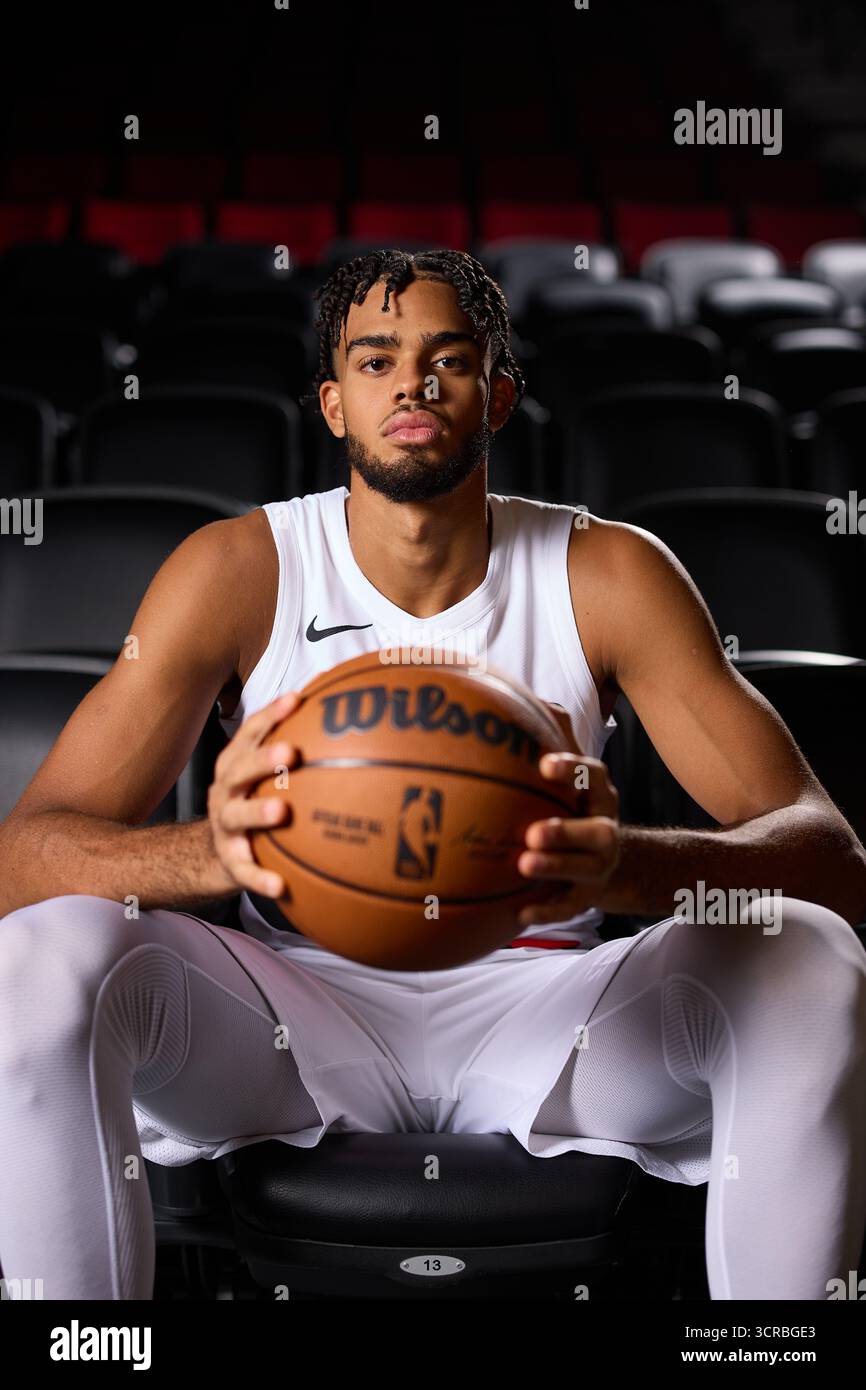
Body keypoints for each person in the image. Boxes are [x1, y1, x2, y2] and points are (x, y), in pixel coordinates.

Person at [0, 249, 864, 1301]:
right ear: (331, 402)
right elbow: (23, 859)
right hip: (293, 1016)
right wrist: (210, 850)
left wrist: (622, 869)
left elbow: (830, 861)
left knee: (808, 953)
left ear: (497, 392)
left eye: (447, 358)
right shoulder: (237, 570)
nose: (410, 384)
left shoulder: (607, 570)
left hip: (551, 1017)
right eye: (375, 360)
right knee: (40, 952)